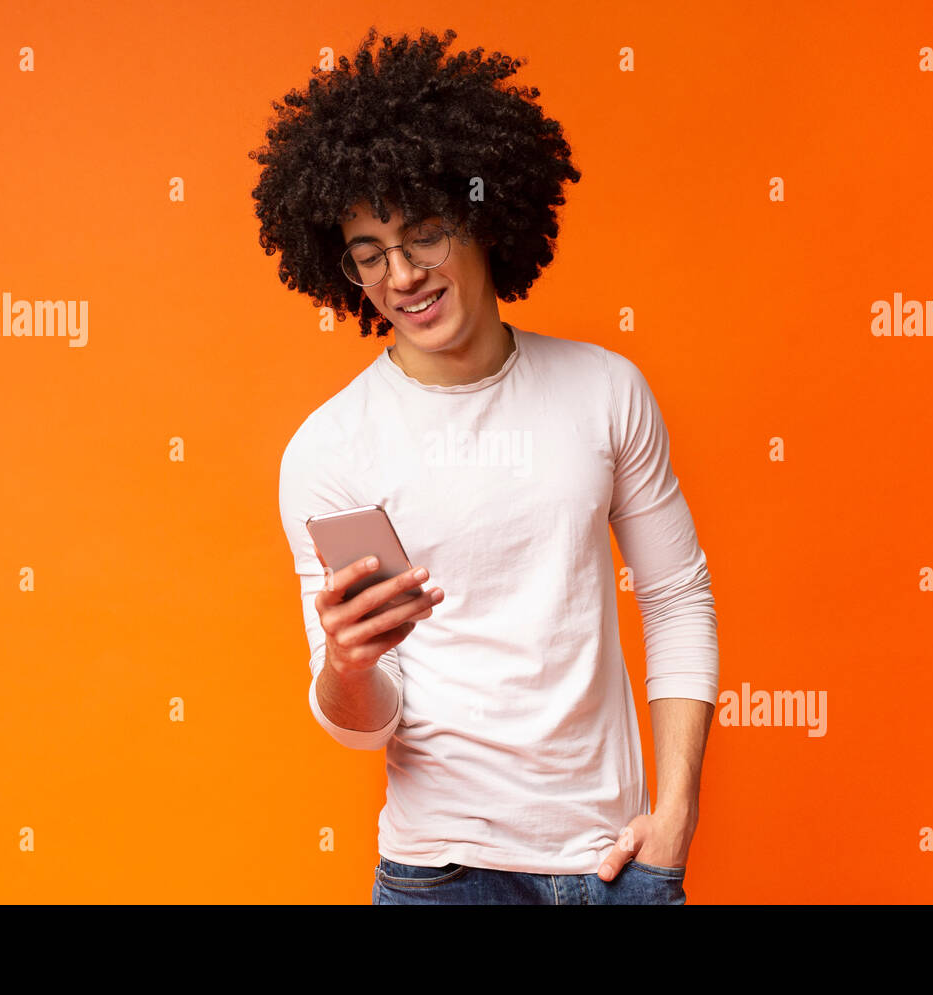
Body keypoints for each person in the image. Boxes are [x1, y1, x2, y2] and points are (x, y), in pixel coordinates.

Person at [256, 26, 720, 905]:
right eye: (369, 255)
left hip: (615, 863)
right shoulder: (332, 448)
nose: (402, 276)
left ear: (484, 214)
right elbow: (367, 723)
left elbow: (676, 596)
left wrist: (676, 817)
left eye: (423, 236)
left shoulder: (604, 390)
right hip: (441, 874)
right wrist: (348, 667)